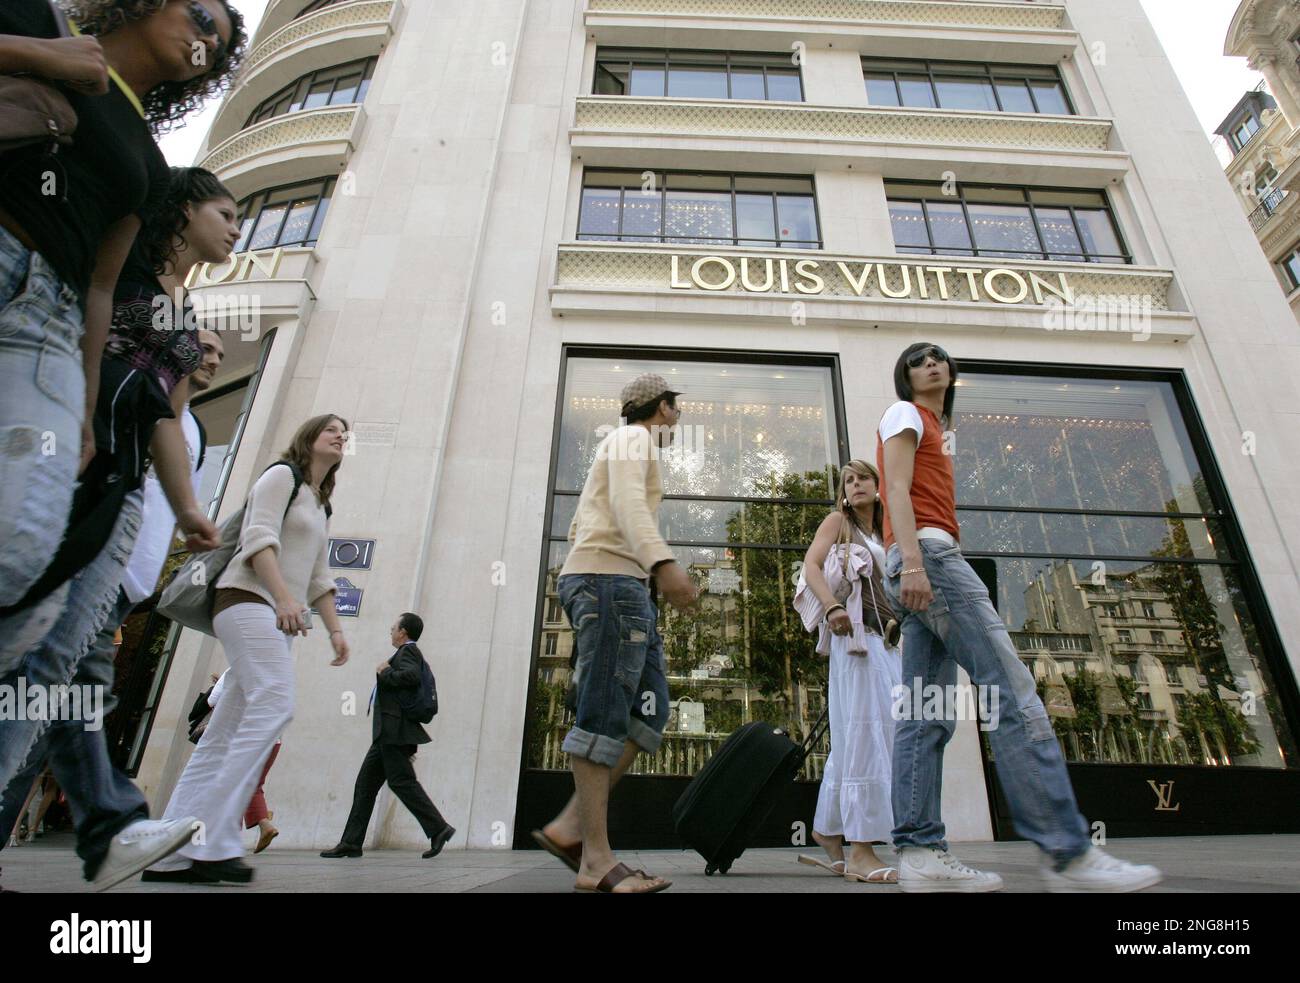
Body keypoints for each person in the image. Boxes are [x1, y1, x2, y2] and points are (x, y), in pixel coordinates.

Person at [876, 342, 1163, 893]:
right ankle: (1068, 853)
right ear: (905, 377)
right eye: (918, 360)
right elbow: (894, 488)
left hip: (920, 563)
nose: (931, 364)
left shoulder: (939, 426)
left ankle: (918, 853)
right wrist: (912, 561)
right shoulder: (905, 413)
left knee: (924, 711)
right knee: (1011, 692)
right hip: (929, 560)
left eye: (938, 357)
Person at [0, 0, 244, 609]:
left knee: (21, 550)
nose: (207, 43)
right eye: (201, 18)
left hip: (52, 319)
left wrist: (82, 410)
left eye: (219, 46)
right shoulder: (35, 19)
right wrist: (37, 54)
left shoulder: (149, 166)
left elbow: (100, 289)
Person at [144, 414, 352, 884]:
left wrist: (337, 631)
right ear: (308, 438)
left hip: (275, 616)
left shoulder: (320, 503)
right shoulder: (282, 476)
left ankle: (169, 854)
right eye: (331, 430)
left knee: (223, 733)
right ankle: (213, 840)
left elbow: (320, 576)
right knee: (275, 703)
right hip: (244, 601)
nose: (341, 437)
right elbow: (259, 538)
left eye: (345, 432)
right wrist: (282, 597)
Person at [531, 373, 698, 894]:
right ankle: (596, 862)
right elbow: (627, 508)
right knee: (604, 711)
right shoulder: (632, 439)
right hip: (610, 584)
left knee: (649, 713)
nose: (678, 418)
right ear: (663, 407)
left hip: (622, 585)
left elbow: (587, 524)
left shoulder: (627, 446)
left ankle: (570, 828)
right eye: (676, 407)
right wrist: (662, 563)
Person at [796, 460, 901, 884]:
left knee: (877, 731)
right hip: (855, 637)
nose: (856, 485)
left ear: (878, 486)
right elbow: (811, 567)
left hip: (889, 642)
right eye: (848, 480)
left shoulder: (887, 532)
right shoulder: (838, 522)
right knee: (864, 732)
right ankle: (861, 849)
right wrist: (833, 606)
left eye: (863, 478)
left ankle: (827, 830)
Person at [320, 614, 454, 860]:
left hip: (394, 734)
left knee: (402, 782)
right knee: (365, 786)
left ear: (403, 632)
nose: (390, 631)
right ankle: (351, 842)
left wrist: (385, 671)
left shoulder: (408, 652)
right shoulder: (405, 652)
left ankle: (438, 828)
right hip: (387, 735)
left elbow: (410, 676)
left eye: (393, 627)